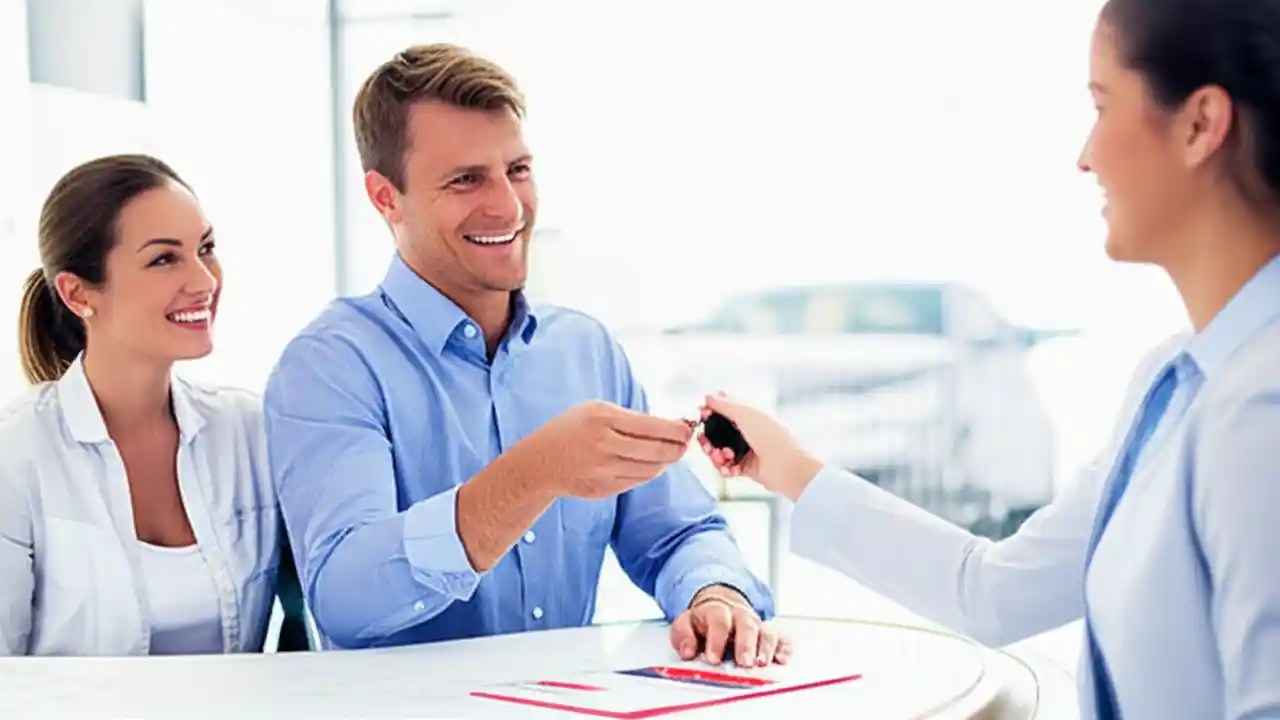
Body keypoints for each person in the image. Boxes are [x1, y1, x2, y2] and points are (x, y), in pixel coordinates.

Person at [695, 1, 1280, 717]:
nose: (1086, 155)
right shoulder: (1174, 384)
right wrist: (787, 467)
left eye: (1103, 105)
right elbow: (995, 591)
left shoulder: (1261, 404)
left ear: (1199, 125)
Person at [263, 44, 785, 667]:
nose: (509, 207)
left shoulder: (586, 352)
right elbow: (345, 597)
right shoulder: (330, 367)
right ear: (385, 198)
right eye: (465, 180)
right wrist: (533, 475)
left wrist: (714, 593)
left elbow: (678, 532)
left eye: (516, 170)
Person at [0, 154, 283, 656]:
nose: (205, 281)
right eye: (164, 259)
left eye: (206, 248)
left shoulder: (250, 433)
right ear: (77, 294)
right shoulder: (17, 454)